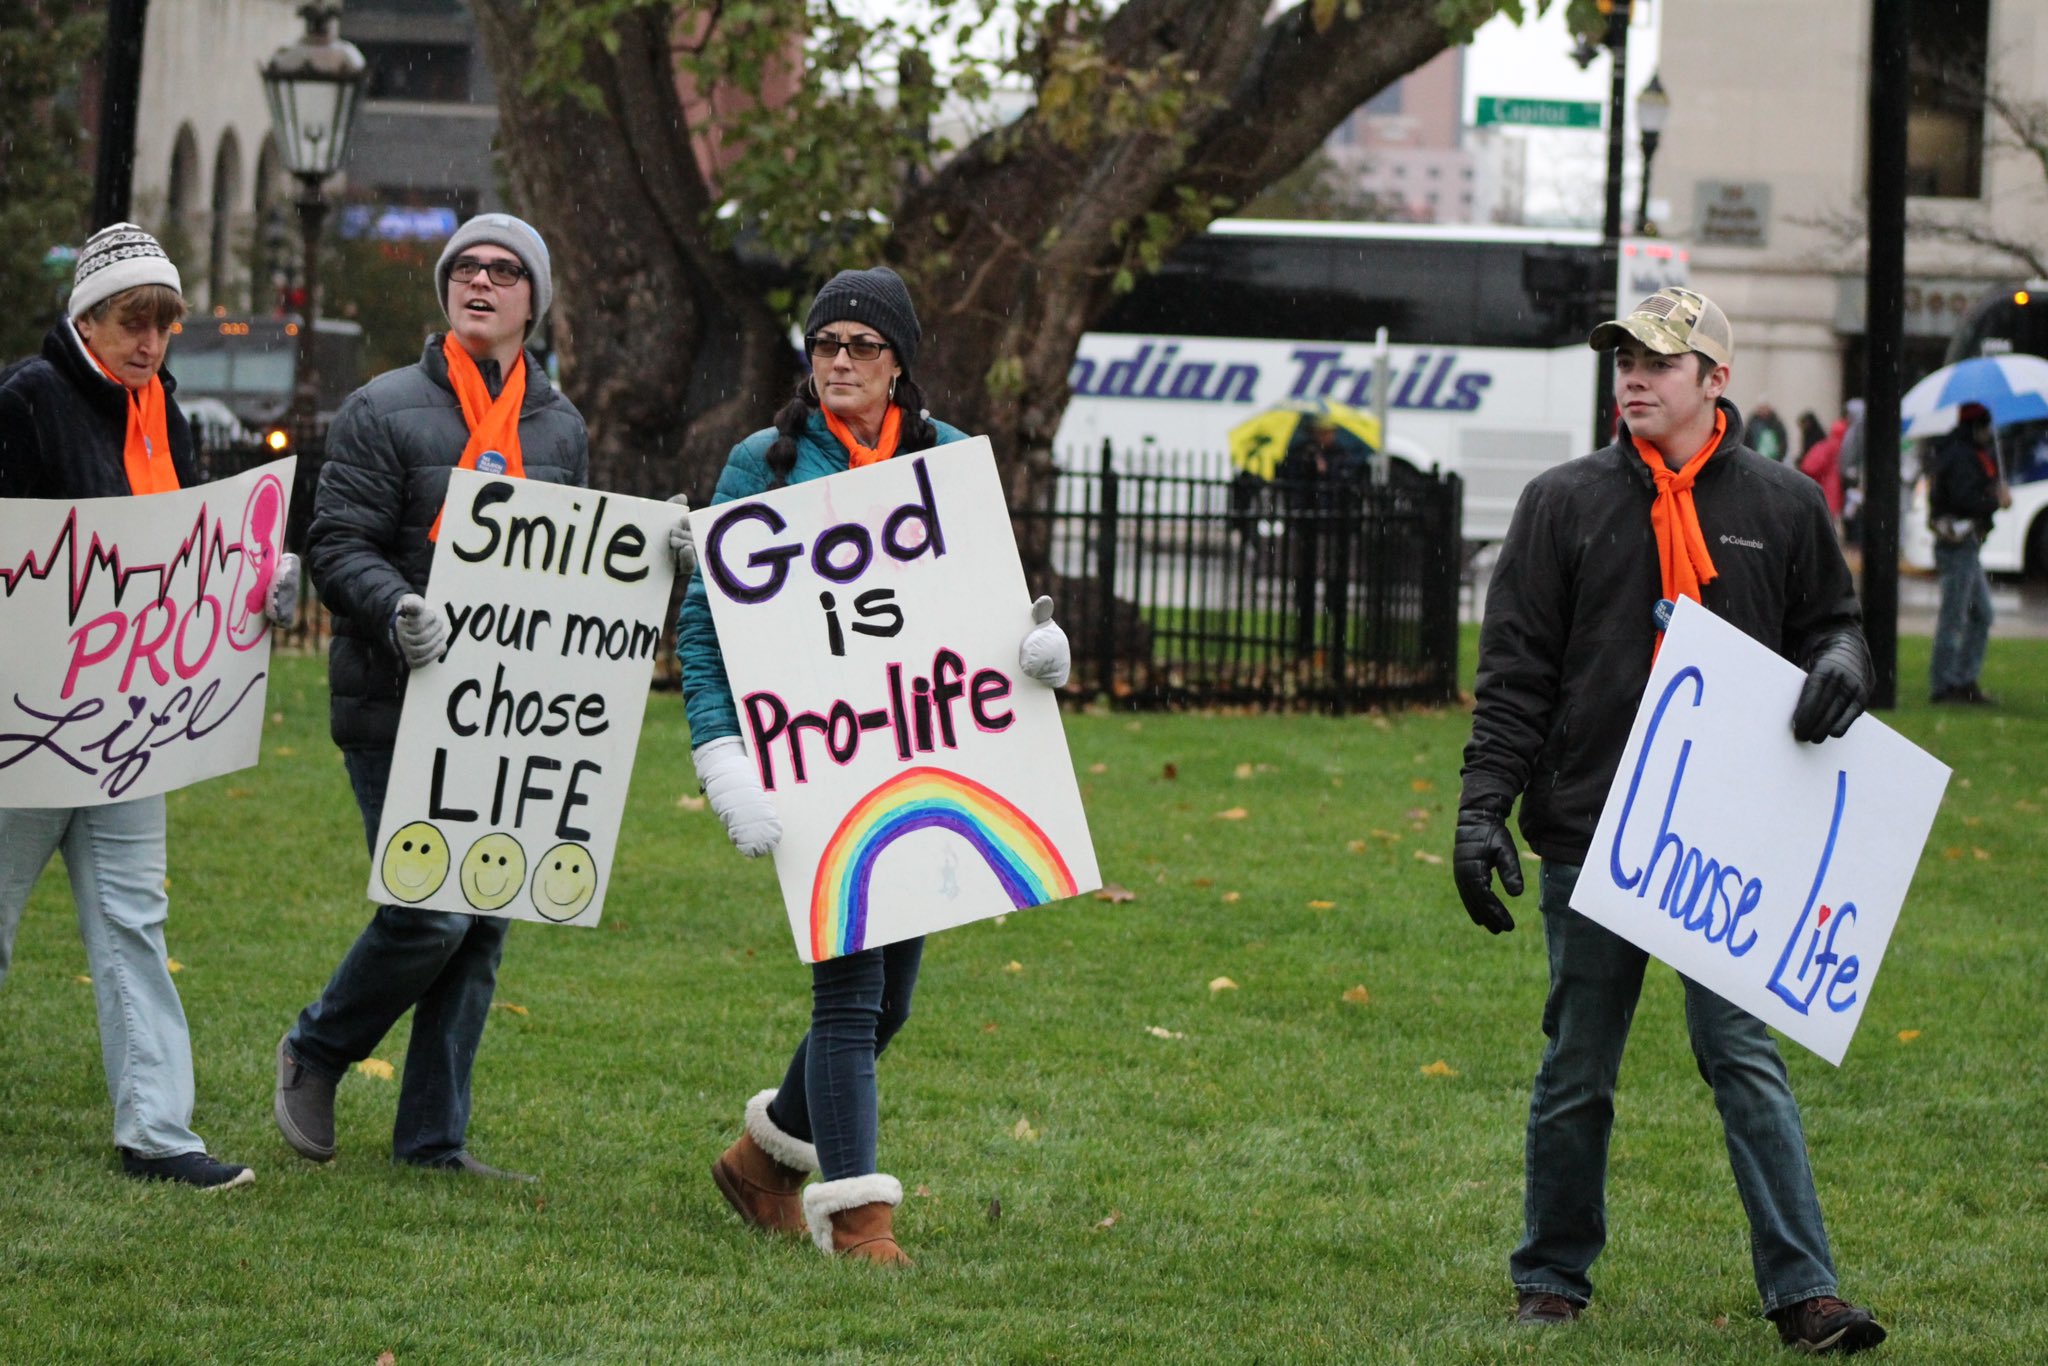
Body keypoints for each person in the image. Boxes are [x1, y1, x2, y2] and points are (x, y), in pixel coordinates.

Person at [1452, 287, 1886, 1354]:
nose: (1633, 376)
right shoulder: (1561, 502)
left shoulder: (1784, 505)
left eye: (1658, 360)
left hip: (1726, 839)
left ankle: (1805, 1293)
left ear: (1713, 381)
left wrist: (1839, 664)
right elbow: (1513, 674)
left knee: (1743, 1059)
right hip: (1592, 827)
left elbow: (1835, 627)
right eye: (1623, 359)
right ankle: (1549, 1277)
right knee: (1575, 1068)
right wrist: (1479, 811)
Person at [273, 214, 681, 1179]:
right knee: (430, 913)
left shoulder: (560, 425)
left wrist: (661, 560)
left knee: (485, 914)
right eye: (467, 268)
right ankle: (320, 1048)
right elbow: (336, 544)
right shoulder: (382, 407)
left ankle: (432, 1141)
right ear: (447, 291)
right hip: (392, 696)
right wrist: (396, 607)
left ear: (535, 303)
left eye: (506, 271)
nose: (483, 282)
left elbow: (574, 575)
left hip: (507, 712)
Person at [679, 267, 1071, 1265]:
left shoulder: (943, 459)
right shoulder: (758, 466)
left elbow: (987, 600)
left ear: (899, 363)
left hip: (918, 755)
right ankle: (855, 1217)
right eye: (825, 346)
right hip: (810, 763)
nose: (841, 362)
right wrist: (723, 757)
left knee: (892, 997)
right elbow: (703, 629)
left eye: (861, 345)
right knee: (848, 997)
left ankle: (760, 1164)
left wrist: (1031, 654)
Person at [0, 223, 298, 1190]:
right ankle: (157, 1131)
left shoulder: (157, 409)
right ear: (85, 316)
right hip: (31, 727)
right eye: (135, 322)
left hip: (129, 724)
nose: (152, 343)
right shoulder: (28, 402)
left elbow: (181, 551)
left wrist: (259, 578)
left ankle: (159, 1134)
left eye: (164, 325)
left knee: (136, 921)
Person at [1925, 401, 2009, 705]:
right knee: (1957, 616)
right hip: (1958, 545)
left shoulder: (1955, 452)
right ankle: (1946, 684)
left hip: (1961, 545)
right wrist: (1994, 501)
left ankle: (1960, 680)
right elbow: (1963, 499)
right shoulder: (1963, 456)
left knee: (1978, 614)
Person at [1744, 397, 1788, 463]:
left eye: (1764, 408)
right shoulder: (1752, 424)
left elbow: (1783, 442)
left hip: (1773, 459)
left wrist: (1780, 457)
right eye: (1761, 408)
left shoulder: (1777, 424)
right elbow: (1746, 440)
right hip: (1755, 459)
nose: (1763, 411)